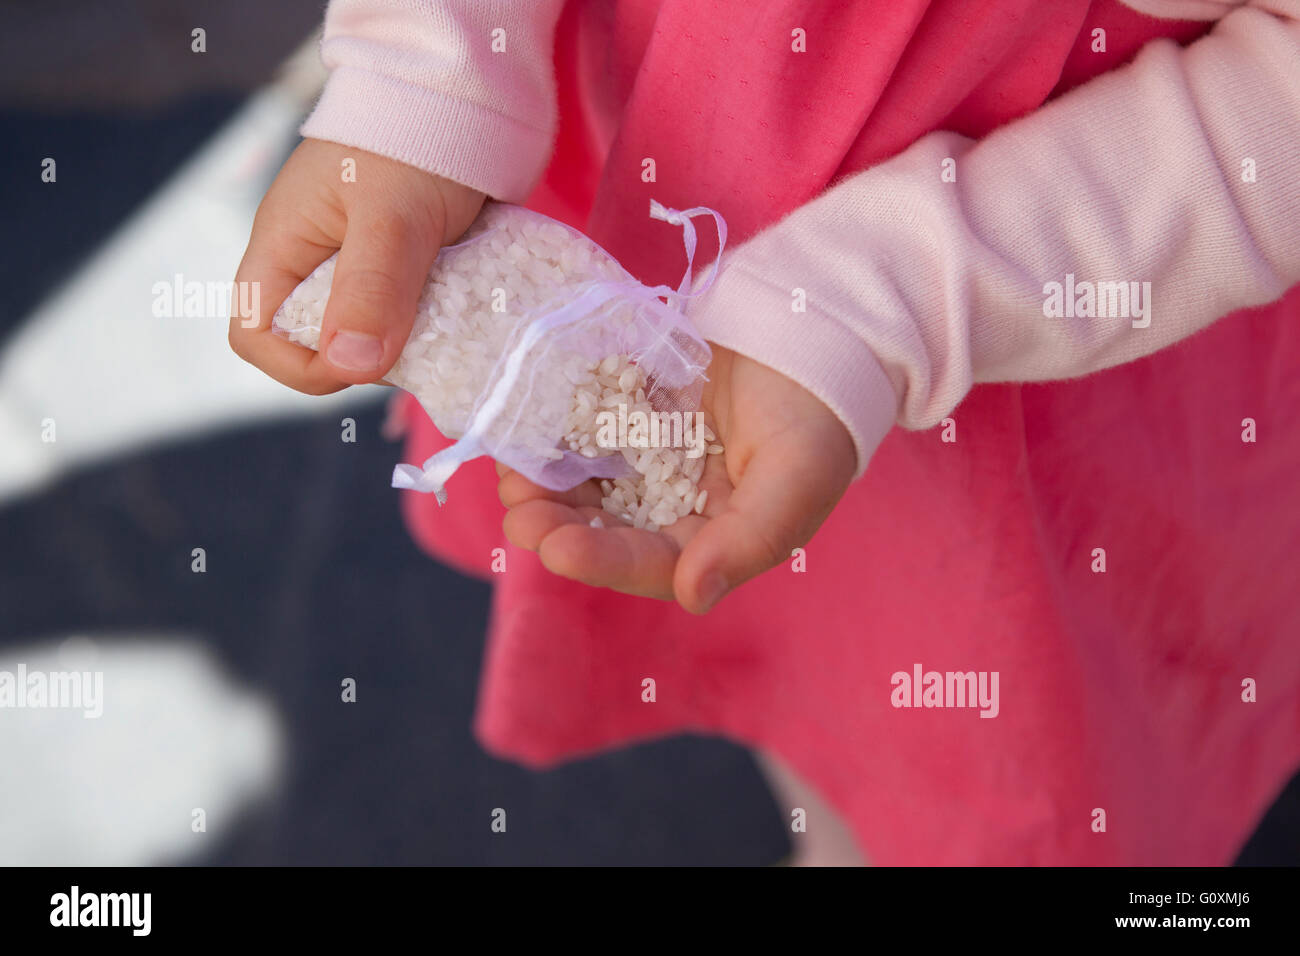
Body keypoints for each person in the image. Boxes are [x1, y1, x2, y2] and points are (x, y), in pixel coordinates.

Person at [230, 0, 1300, 864]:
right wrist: (427, 72)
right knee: (797, 651)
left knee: (988, 736)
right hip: (654, 167)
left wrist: (887, 298)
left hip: (1050, 328)